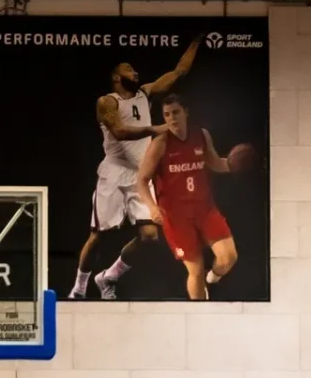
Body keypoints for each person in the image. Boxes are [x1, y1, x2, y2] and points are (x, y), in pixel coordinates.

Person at [73, 39, 198, 300]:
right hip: (114, 174)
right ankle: (79, 287)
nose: (135, 73)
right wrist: (156, 129)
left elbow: (179, 73)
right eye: (129, 69)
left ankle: (108, 277)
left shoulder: (145, 93)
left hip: (139, 175)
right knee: (99, 236)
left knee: (150, 236)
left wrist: (196, 41)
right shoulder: (107, 102)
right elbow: (119, 132)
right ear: (117, 76)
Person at [136, 94, 237, 301]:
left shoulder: (201, 135)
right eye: (166, 114)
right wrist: (152, 207)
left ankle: (213, 278)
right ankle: (200, 311)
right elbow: (141, 180)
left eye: (175, 112)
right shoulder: (160, 144)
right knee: (195, 271)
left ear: (186, 112)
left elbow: (215, 162)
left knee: (228, 257)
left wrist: (234, 164)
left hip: (204, 208)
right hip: (176, 215)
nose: (171, 118)